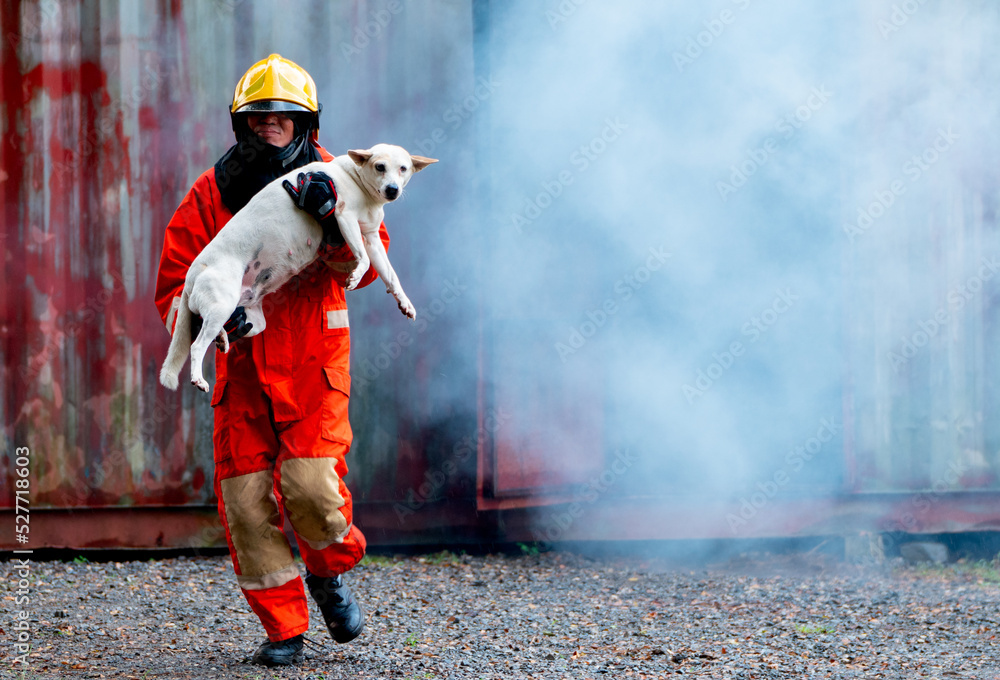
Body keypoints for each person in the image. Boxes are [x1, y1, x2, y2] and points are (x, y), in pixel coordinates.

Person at [154, 54, 388, 667]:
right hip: (241, 371)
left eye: (283, 116)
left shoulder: (343, 176)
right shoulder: (210, 192)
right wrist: (206, 316)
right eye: (259, 116)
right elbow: (175, 281)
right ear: (241, 123)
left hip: (312, 360)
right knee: (246, 504)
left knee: (311, 491)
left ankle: (329, 574)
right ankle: (284, 629)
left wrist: (332, 227)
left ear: (304, 121)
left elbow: (367, 263)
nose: (270, 125)